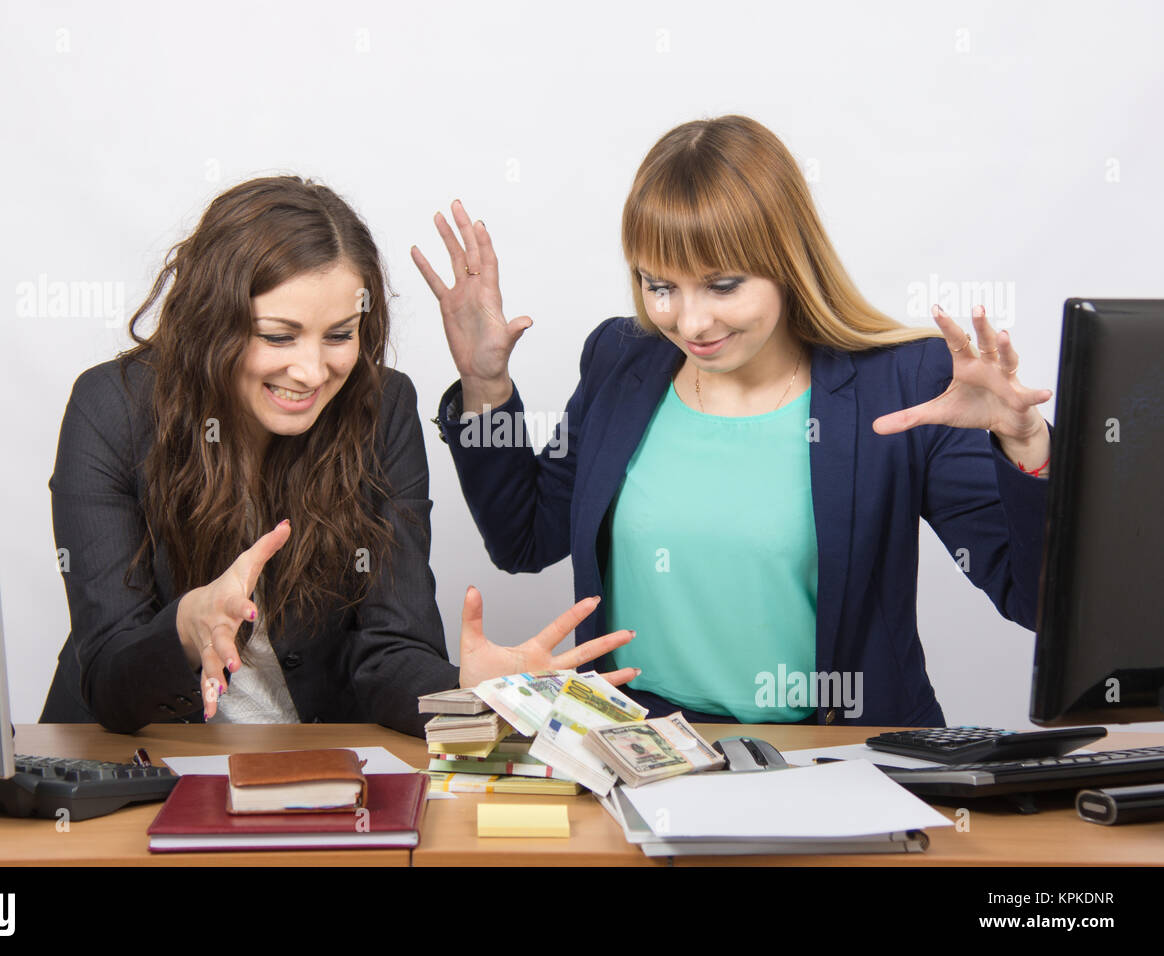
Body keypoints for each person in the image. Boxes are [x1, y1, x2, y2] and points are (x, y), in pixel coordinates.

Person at [413, 115, 1053, 727]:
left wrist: (1024, 444)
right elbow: (523, 540)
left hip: (841, 754)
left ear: (788, 262)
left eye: (722, 286)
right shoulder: (621, 359)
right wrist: (485, 383)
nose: (690, 323)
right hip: (641, 748)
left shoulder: (904, 382)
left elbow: (1034, 602)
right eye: (660, 286)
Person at [39, 175, 636, 737]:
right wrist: (186, 628)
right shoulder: (112, 407)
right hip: (139, 773)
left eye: (339, 335)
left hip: (314, 777)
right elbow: (108, 680)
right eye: (277, 335)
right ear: (209, 322)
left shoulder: (382, 407)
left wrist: (466, 692)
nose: (310, 371)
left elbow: (391, 651)